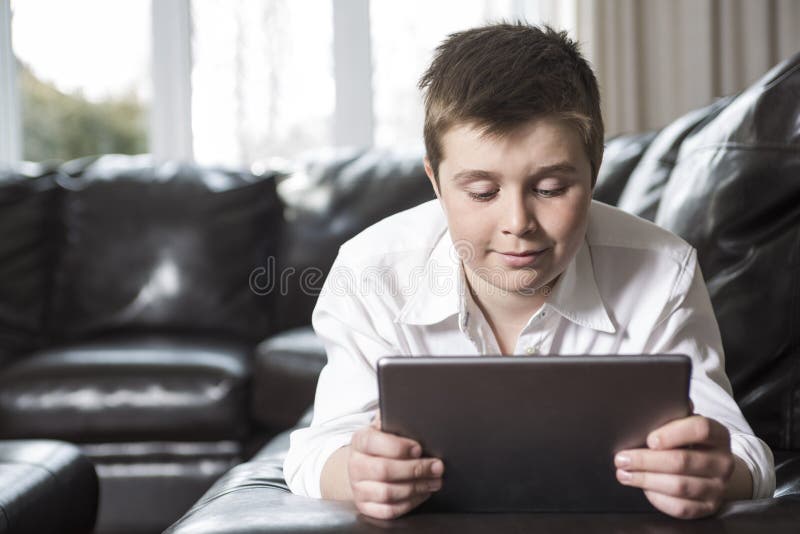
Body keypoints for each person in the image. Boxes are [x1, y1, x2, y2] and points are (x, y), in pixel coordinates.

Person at [283, 22, 775, 520]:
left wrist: (716, 472)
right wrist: (357, 472)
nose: (517, 224)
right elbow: (314, 452)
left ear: (595, 170)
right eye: (481, 193)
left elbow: (744, 454)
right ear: (435, 181)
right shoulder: (369, 270)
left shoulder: (662, 270)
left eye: (551, 188)